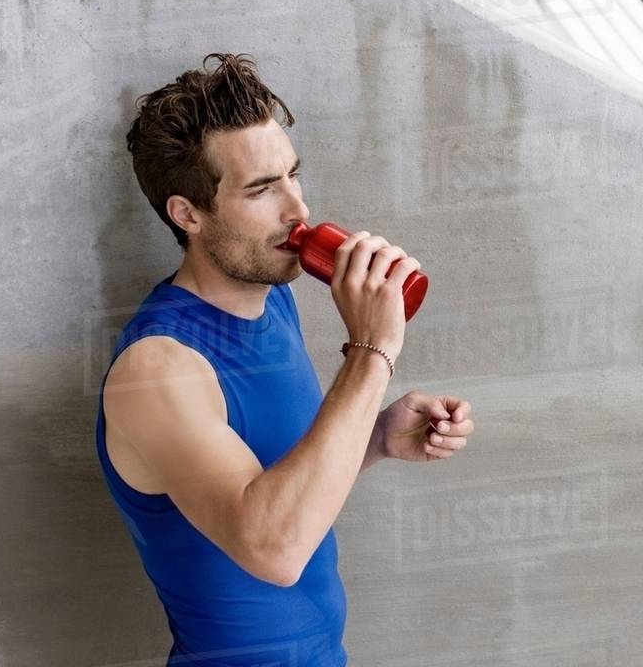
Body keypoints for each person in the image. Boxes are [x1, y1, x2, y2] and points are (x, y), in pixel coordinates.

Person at [94, 53, 474, 666]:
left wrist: (375, 438)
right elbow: (274, 548)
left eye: (292, 176)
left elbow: (284, 490)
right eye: (262, 189)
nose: (297, 210)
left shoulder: (277, 305)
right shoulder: (158, 368)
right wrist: (371, 353)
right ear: (187, 214)